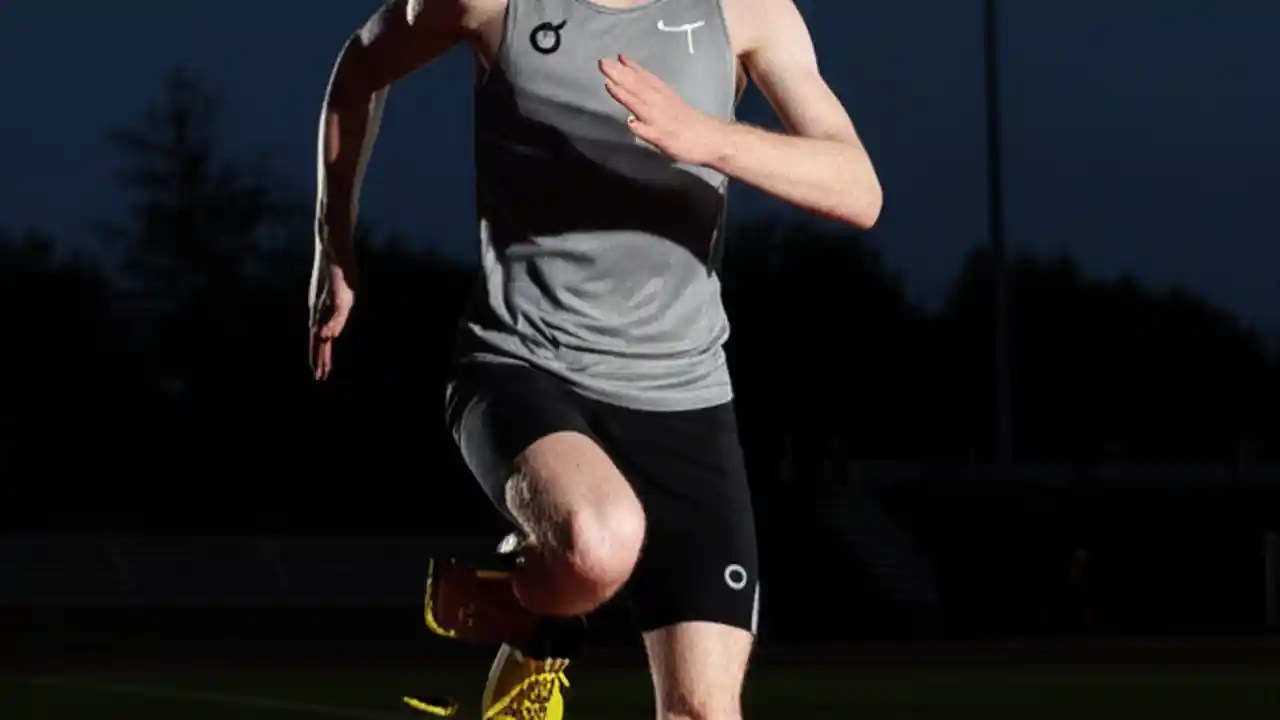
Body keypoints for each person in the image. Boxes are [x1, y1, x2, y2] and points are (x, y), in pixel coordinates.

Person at [308, 0, 882, 717]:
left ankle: (509, 600)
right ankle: (535, 607)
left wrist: (707, 138)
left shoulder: (745, 11)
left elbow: (858, 188)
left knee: (703, 709)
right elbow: (361, 64)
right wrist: (332, 244)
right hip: (525, 363)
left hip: (685, 395)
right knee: (597, 542)